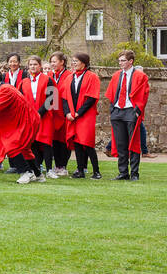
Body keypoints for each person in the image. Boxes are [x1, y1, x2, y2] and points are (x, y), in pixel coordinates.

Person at [105, 49, 149, 181]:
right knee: (120, 144)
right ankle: (123, 172)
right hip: (118, 110)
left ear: (131, 61)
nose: (120, 63)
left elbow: (144, 94)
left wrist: (137, 111)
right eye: (119, 60)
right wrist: (112, 109)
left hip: (131, 110)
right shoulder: (116, 75)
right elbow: (112, 93)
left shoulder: (140, 76)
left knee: (134, 143)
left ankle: (134, 173)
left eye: (123, 60)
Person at [61, 52, 101, 179]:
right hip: (72, 115)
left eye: (76, 61)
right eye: (72, 61)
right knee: (77, 143)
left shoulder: (92, 77)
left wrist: (79, 113)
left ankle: (96, 172)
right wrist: (67, 113)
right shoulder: (70, 78)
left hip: (86, 115)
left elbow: (91, 98)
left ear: (84, 63)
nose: (73, 63)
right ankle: (80, 170)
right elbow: (64, 98)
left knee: (87, 143)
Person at [24, 56, 59, 177]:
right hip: (30, 117)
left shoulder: (48, 79)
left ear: (40, 66)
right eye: (30, 65)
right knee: (33, 142)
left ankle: (49, 170)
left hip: (45, 116)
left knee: (46, 142)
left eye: (35, 64)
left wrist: (39, 113)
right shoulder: (24, 81)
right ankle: (36, 168)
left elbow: (51, 99)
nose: (33, 67)